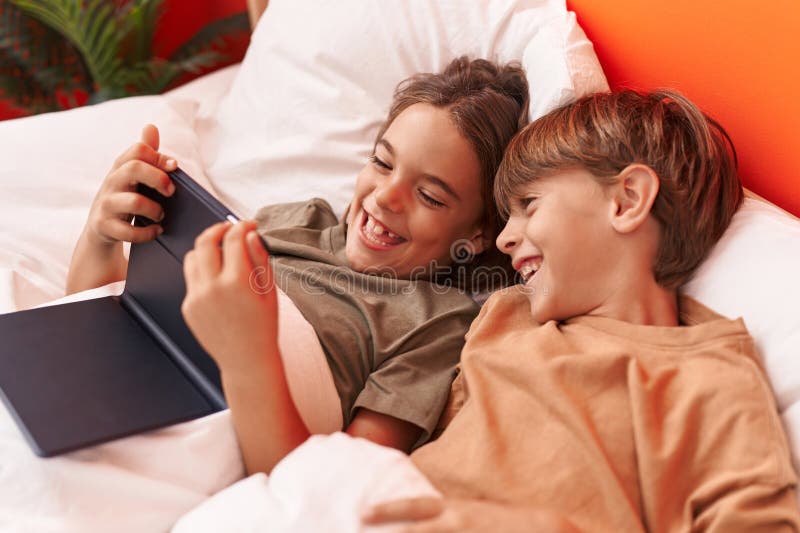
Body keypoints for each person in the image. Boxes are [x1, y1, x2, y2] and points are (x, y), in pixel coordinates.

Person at [356, 90, 800, 531]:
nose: (504, 238)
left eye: (529, 205)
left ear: (626, 201)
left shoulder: (710, 378)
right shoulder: (507, 316)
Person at [65, 57, 529, 475]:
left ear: (478, 234)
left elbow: (324, 490)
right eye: (382, 163)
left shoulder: (437, 322)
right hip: (126, 385)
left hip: (217, 431)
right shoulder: (295, 221)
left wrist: (248, 353)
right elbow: (117, 319)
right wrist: (102, 236)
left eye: (429, 195)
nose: (386, 196)